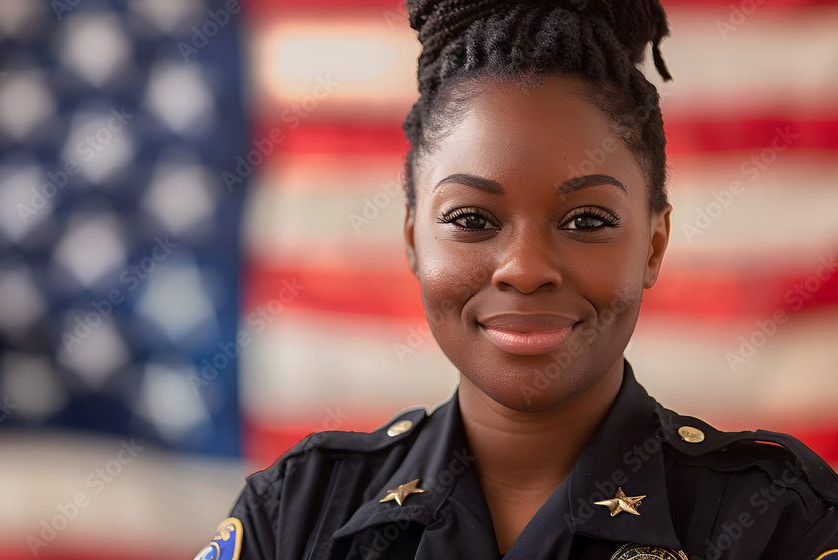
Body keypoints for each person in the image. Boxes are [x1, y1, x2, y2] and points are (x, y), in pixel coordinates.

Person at [195, 0, 838, 558]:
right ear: (415, 240)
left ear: (654, 244)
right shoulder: (298, 514)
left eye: (587, 219)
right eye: (472, 218)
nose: (526, 269)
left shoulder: (782, 523)